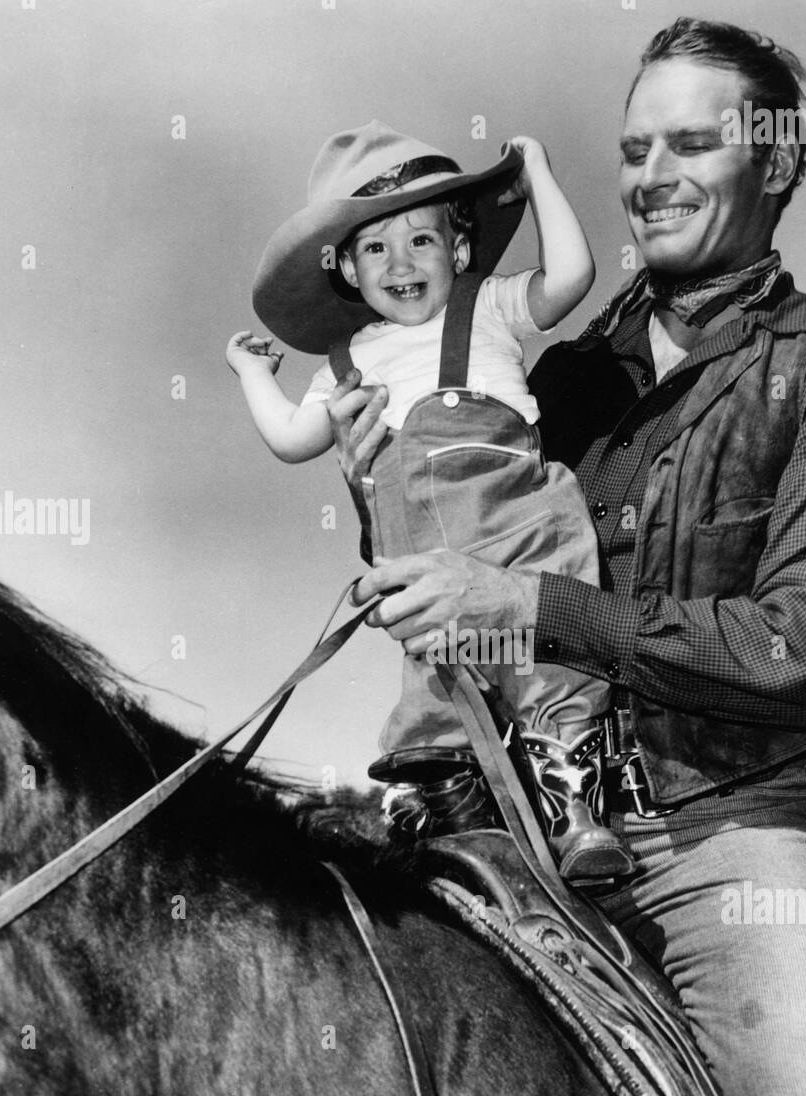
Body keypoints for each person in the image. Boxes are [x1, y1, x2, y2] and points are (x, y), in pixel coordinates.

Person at [334, 21, 806, 1096]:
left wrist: (533, 602)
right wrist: (381, 482)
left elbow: (792, 648)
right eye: (635, 147)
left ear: (777, 166)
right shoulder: (548, 378)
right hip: (495, 820)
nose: (652, 173)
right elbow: (446, 574)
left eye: (694, 141)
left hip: (728, 827)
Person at [227, 121, 634, 881]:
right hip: (421, 565)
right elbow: (290, 438)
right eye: (374, 248)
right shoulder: (345, 364)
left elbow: (571, 277)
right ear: (346, 269)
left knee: (546, 665)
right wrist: (252, 375)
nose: (400, 261)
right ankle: (454, 815)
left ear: (460, 249)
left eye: (421, 240)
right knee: (438, 693)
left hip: (518, 531)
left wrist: (538, 171)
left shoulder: (488, 308)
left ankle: (573, 805)